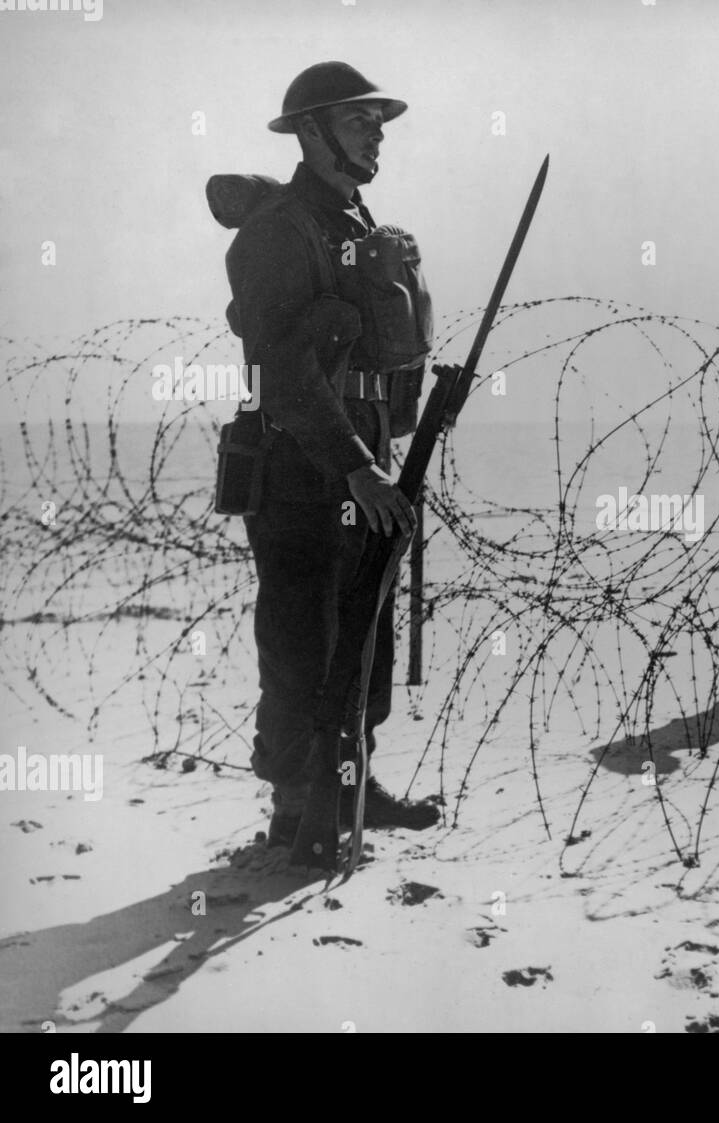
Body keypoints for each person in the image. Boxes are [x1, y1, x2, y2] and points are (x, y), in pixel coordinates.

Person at [221, 62, 443, 856]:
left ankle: (354, 784)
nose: (375, 134)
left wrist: (385, 447)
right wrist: (354, 463)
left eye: (376, 123)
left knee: (365, 628)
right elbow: (281, 369)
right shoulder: (280, 231)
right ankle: (294, 809)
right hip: (300, 469)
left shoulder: (357, 226)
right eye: (358, 121)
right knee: (301, 639)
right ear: (311, 133)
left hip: (366, 461)